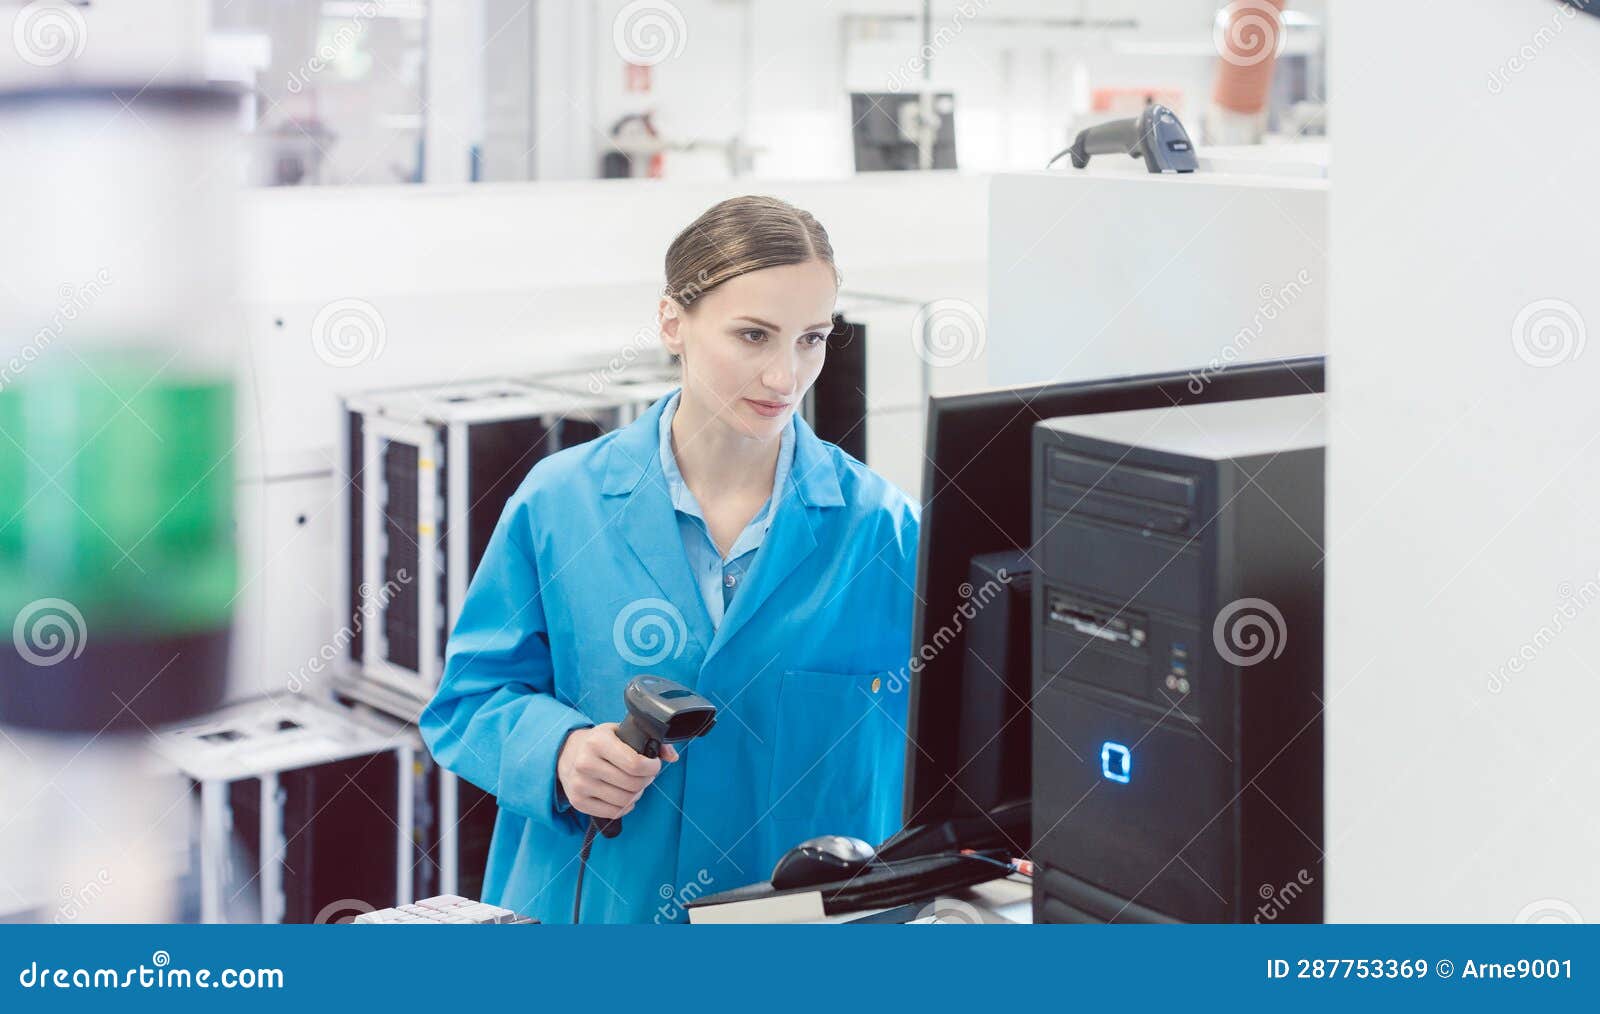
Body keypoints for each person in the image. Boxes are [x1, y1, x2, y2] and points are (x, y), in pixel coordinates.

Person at [420, 195, 919, 923]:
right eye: (754, 335)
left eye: (811, 339)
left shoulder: (883, 530)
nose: (786, 376)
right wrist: (558, 752)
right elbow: (467, 703)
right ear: (672, 323)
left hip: (784, 934)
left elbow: (952, 751)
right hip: (594, 914)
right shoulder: (560, 503)